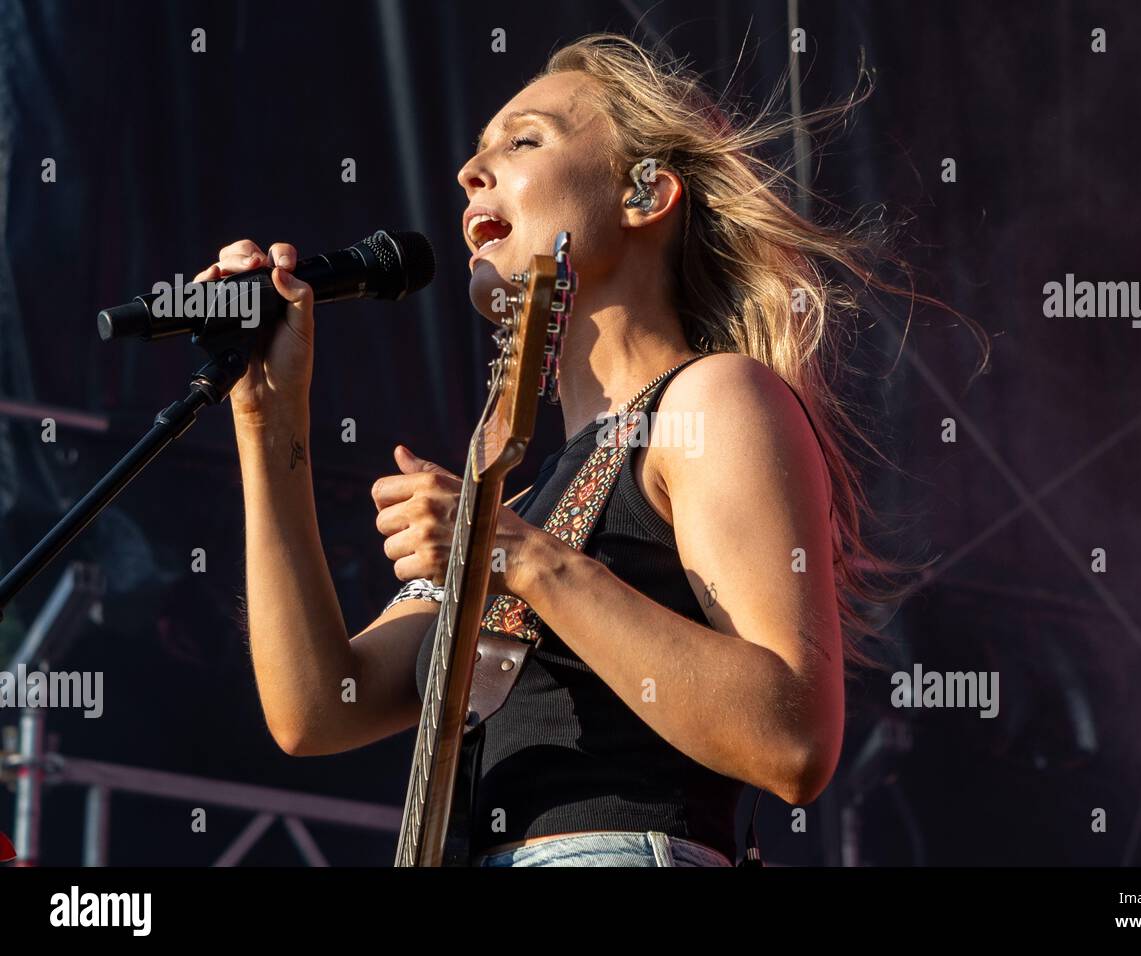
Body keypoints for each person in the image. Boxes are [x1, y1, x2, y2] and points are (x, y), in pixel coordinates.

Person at [201, 33, 984, 867]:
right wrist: (268, 416)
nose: (470, 173)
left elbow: (794, 741)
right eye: (474, 154)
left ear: (646, 195)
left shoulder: (714, 398)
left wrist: (514, 554)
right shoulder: (525, 501)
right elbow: (319, 706)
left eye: (523, 140)